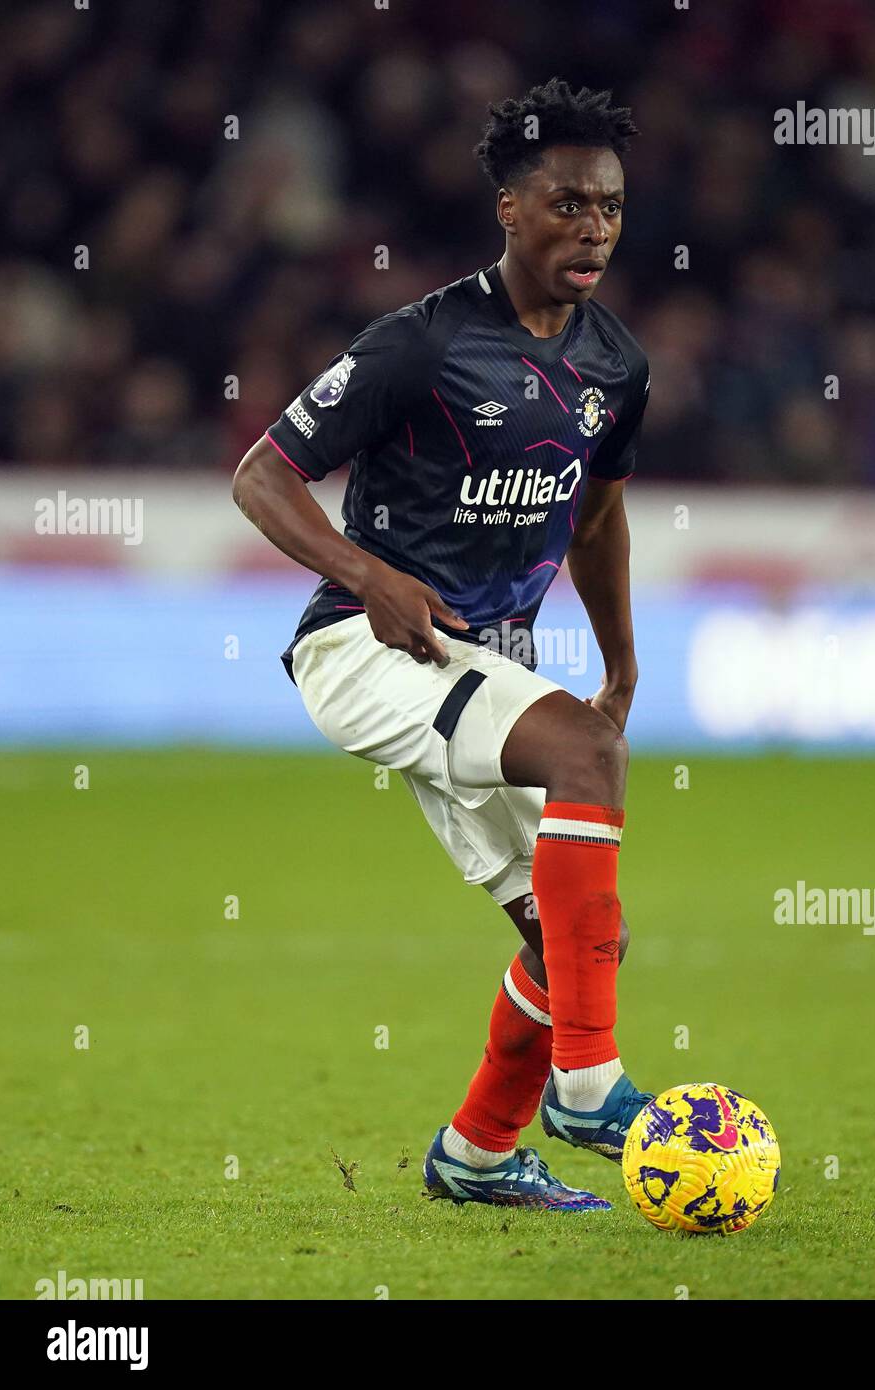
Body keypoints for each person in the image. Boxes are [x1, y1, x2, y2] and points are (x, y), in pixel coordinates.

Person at [233, 78, 653, 1210]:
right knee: (585, 761)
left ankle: (475, 1153)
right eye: (568, 203)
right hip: (363, 649)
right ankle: (586, 1084)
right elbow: (260, 475)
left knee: (573, 946)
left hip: (483, 663)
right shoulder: (417, 346)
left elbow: (597, 518)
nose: (593, 227)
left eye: (609, 207)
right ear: (511, 209)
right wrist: (369, 577)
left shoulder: (614, 365)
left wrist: (617, 662)